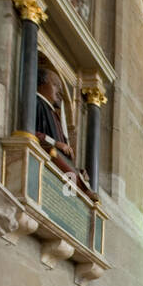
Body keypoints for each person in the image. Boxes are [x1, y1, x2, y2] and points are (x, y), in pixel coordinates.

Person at [35, 65, 94, 197]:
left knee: (80, 173)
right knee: (61, 161)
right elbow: (30, 131)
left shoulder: (53, 113)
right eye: (55, 85)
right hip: (47, 153)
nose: (60, 93)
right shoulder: (37, 103)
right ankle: (82, 190)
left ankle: (81, 184)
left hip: (57, 160)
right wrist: (56, 143)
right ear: (41, 83)